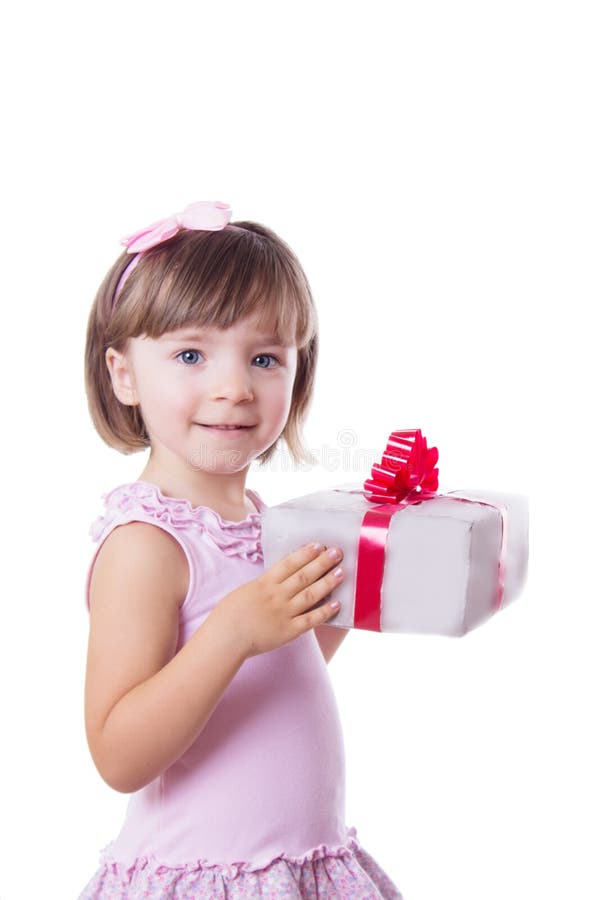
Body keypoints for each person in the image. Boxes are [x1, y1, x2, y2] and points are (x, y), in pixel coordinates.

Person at [78, 200, 404, 898]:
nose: (233, 387)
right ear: (123, 374)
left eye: (264, 358)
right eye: (191, 354)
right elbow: (118, 752)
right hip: (209, 878)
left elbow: (271, 671)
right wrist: (232, 631)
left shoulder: (265, 521)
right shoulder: (148, 544)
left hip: (300, 864)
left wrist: (337, 605)